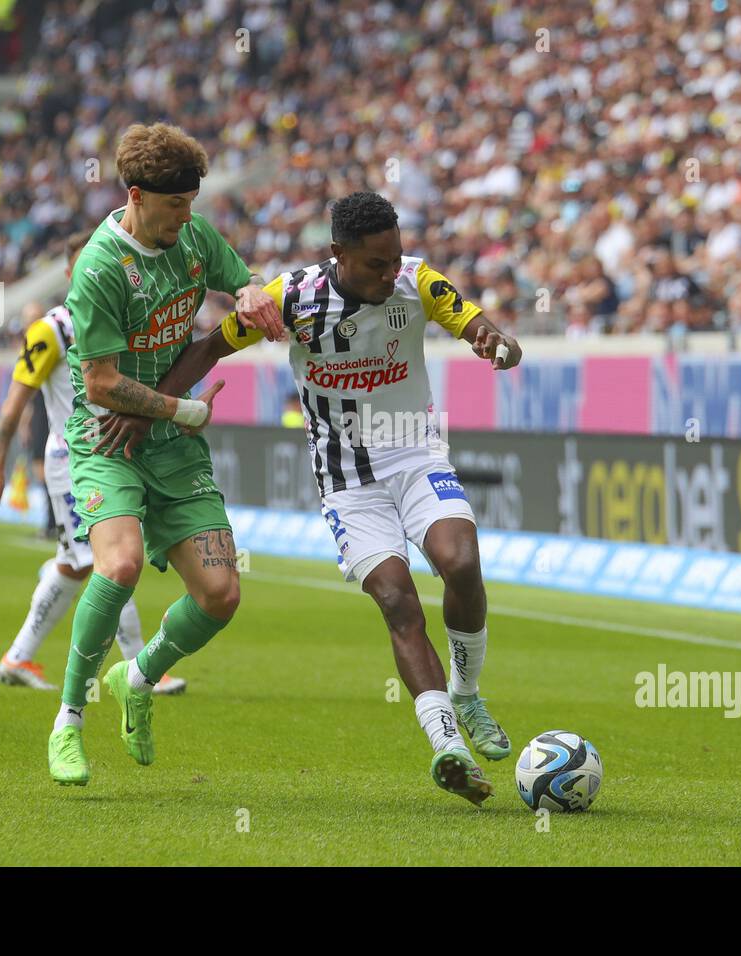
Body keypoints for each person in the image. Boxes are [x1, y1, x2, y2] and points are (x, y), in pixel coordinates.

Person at [93, 191, 521, 806]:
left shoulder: (416, 282)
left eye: (394, 257)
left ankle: (468, 694)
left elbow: (479, 325)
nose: (388, 271)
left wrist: (496, 344)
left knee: (461, 562)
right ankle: (446, 745)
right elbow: (210, 346)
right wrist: (147, 406)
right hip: (347, 480)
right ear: (338, 255)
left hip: (414, 453)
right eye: (375, 262)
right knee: (398, 602)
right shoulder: (292, 301)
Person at [44, 122, 279, 786]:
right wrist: (181, 408)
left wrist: (255, 290)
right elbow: (99, 383)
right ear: (136, 194)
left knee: (222, 595)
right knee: (116, 567)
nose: (188, 216)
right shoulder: (98, 269)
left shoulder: (193, 236)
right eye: (176, 204)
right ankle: (67, 721)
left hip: (174, 448)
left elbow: (243, 280)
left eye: (193, 203)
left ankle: (137, 677)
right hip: (108, 442)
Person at [0, 231, 185, 695]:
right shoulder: (51, 329)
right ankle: (142, 668)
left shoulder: (118, 318)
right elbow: (15, 404)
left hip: (112, 459)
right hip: (72, 461)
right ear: (73, 272)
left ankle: (17, 658)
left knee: (72, 566)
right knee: (108, 562)